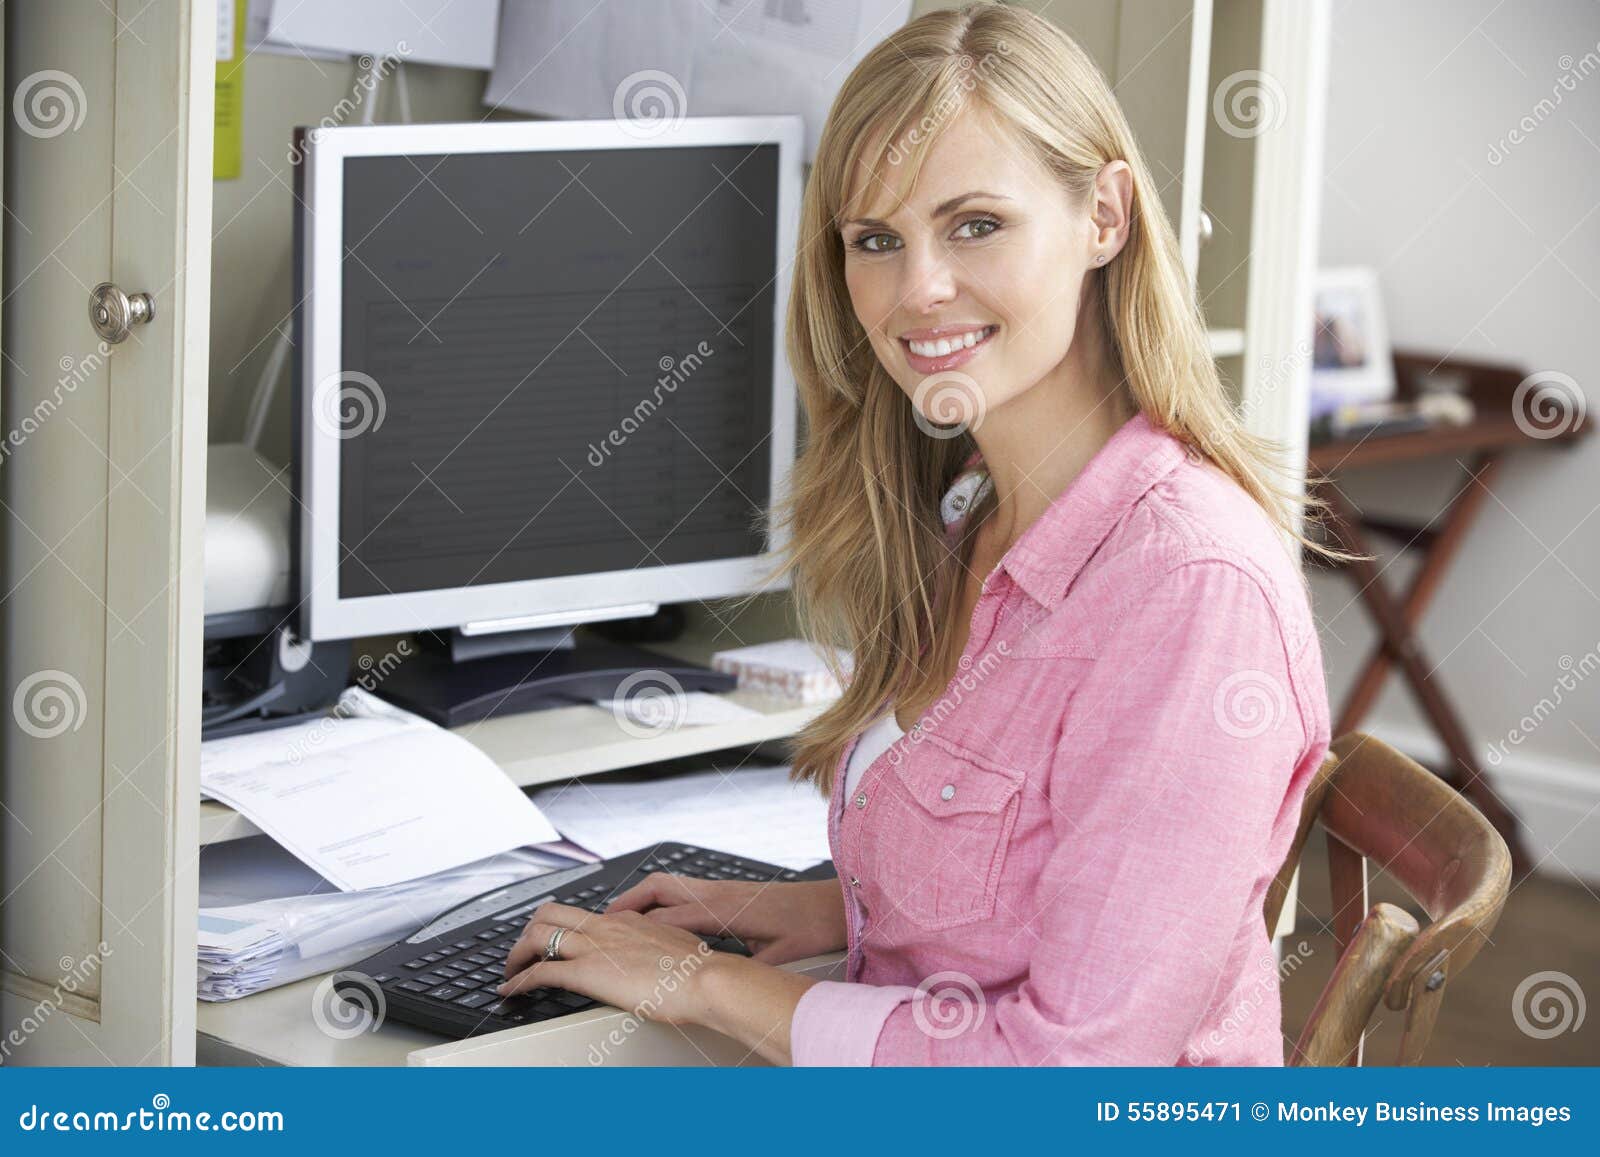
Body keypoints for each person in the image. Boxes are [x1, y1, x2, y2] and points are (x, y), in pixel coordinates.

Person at [497, 1, 1341, 1066]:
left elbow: (1074, 1078)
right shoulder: (970, 508)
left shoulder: (1188, 590)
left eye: (975, 224)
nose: (917, 289)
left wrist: (706, 980)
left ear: (1105, 216)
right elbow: (1025, 888)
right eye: (876, 240)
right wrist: (833, 912)